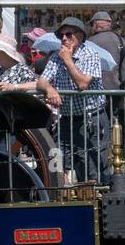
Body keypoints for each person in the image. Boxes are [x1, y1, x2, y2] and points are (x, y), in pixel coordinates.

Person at [37, 17, 109, 184]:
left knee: (91, 168)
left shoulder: (90, 55)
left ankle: (96, 203)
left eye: (68, 34)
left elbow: (82, 83)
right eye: (61, 35)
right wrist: (49, 90)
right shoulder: (56, 56)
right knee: (58, 163)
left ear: (80, 36)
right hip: (67, 118)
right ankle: (64, 200)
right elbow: (42, 81)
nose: (64, 39)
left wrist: (68, 61)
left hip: (91, 118)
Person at [87, 11, 123, 90]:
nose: (91, 27)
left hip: (100, 90)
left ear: (97, 24)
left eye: (91, 24)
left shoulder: (91, 42)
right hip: (120, 88)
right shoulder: (122, 40)